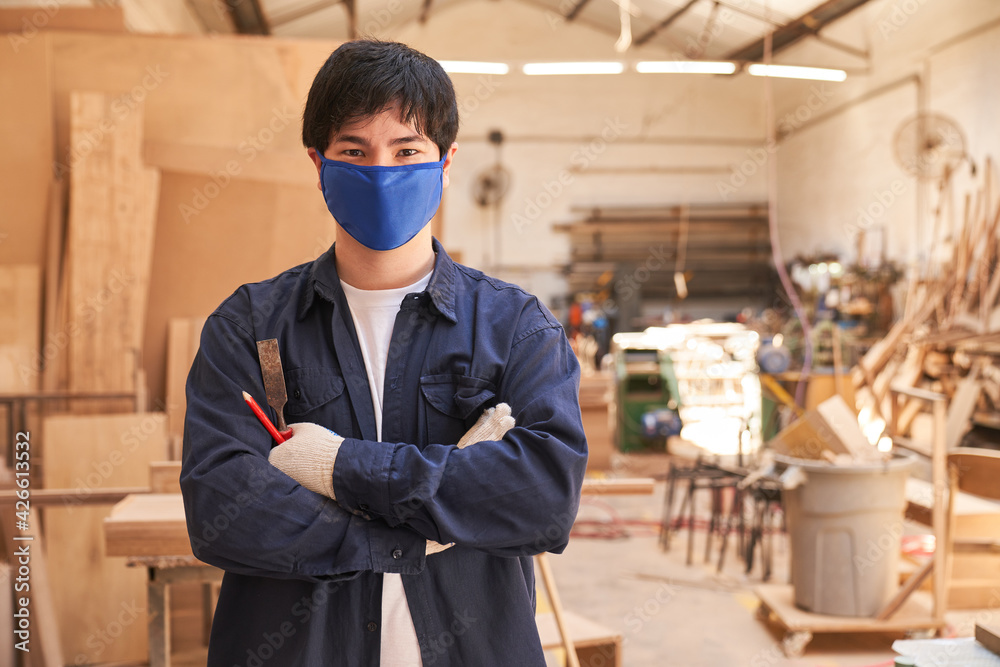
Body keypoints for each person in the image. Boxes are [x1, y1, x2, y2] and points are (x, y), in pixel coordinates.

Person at [180, 39, 588, 666]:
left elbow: (542, 499)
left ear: (446, 162)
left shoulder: (514, 328)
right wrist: (422, 526)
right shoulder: (248, 327)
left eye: (406, 151)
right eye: (354, 151)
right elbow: (220, 511)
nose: (381, 171)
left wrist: (339, 466)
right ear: (318, 163)